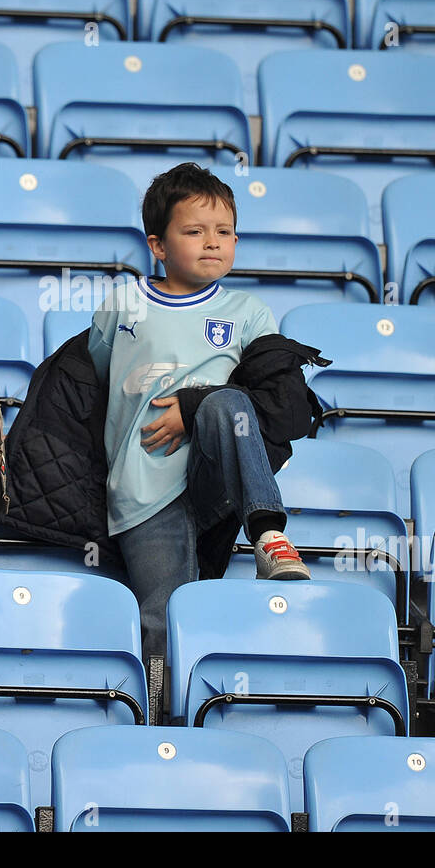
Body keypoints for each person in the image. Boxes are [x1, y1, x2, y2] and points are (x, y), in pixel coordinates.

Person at [85, 163, 314, 653]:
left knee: (225, 402)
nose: (212, 242)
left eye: (224, 231)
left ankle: (269, 534)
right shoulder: (123, 303)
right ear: (158, 246)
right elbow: (101, 378)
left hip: (213, 479)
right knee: (165, 618)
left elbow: (277, 405)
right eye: (194, 231)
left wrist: (191, 406)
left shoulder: (248, 313)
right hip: (145, 484)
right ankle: (155, 721)